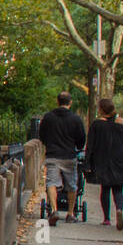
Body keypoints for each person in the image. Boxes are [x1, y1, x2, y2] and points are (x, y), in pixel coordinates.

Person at [84, 98, 123, 229]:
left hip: (103, 161)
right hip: (120, 161)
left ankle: (107, 218)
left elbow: (90, 145)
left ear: (101, 110)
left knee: (105, 189)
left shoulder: (97, 125)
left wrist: (88, 164)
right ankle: (119, 209)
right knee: (118, 189)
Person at [38, 91, 87, 225]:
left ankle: (54, 210)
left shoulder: (48, 117)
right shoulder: (76, 119)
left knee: (51, 183)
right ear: (70, 102)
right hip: (69, 155)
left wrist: (48, 144)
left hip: (53, 154)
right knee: (71, 184)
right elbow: (81, 138)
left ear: (57, 101)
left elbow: (42, 134)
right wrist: (78, 146)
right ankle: (70, 214)